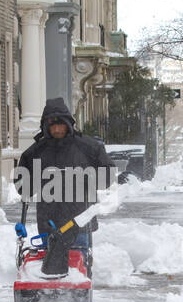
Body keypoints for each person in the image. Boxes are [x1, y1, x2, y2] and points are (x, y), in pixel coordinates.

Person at [15, 98, 115, 273]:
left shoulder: (88, 148)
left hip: (80, 219)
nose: (57, 130)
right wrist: (32, 184)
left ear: (69, 124)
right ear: (46, 127)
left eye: (61, 125)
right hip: (49, 221)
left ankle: (80, 297)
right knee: (51, 265)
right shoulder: (35, 152)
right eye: (52, 126)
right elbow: (22, 185)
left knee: (80, 266)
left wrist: (89, 179)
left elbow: (108, 175)